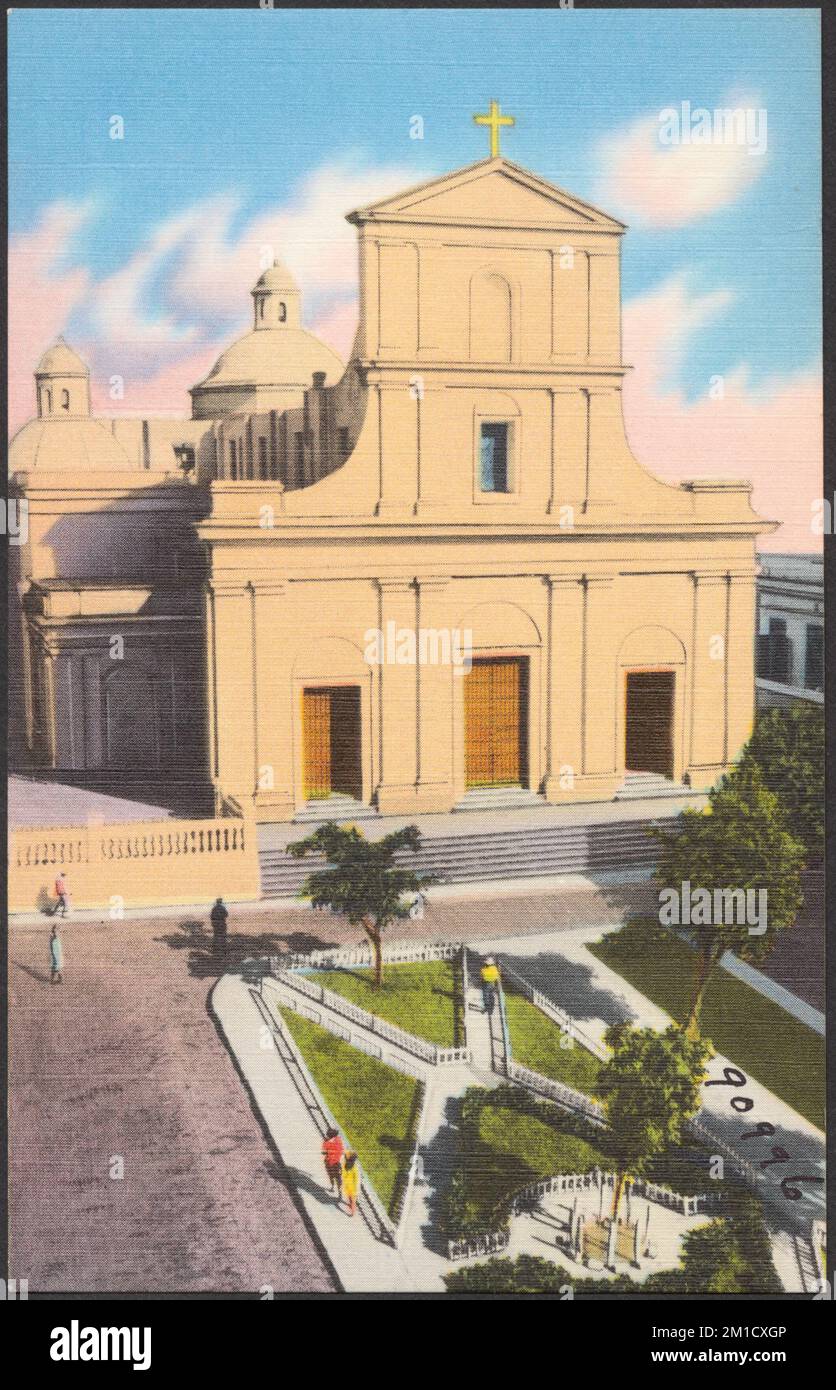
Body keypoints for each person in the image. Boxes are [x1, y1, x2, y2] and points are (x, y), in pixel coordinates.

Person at [321, 1127, 344, 1198]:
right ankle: (340, 1191)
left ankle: (332, 1186)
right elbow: (342, 1150)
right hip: (337, 1162)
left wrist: (325, 1142)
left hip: (329, 1162)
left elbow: (323, 1152)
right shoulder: (339, 1140)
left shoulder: (327, 1142)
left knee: (331, 1175)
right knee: (338, 1177)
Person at [342, 1151, 360, 1217]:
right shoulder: (346, 1164)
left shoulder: (354, 1168)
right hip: (348, 1186)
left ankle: (353, 1212)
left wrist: (356, 1189)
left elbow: (356, 1179)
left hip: (352, 1187)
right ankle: (352, 1208)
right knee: (350, 1199)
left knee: (352, 1200)